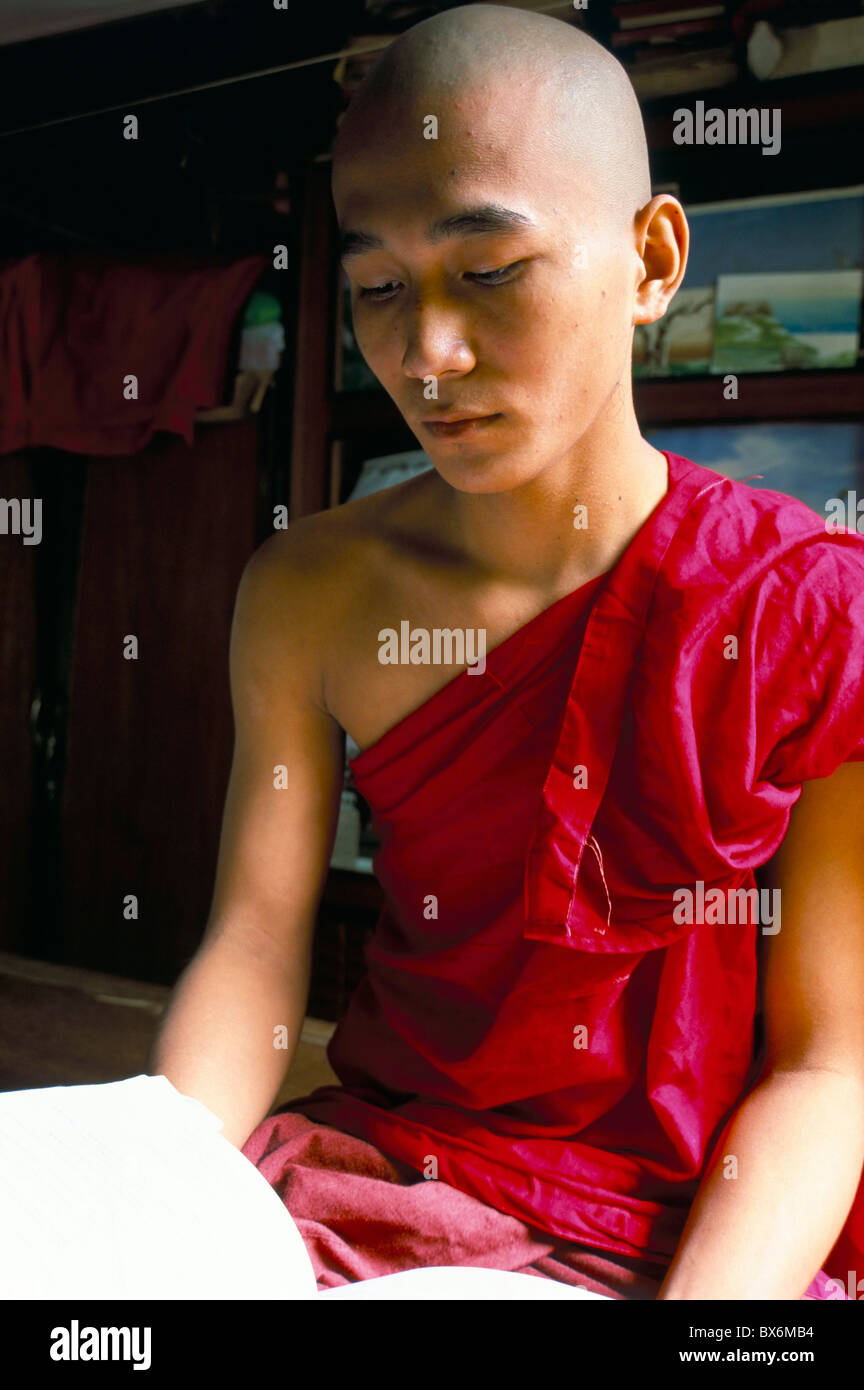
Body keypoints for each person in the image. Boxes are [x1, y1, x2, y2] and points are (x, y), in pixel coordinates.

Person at [149, 4, 864, 1299]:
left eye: (487, 272)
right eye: (376, 287)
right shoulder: (311, 589)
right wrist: (153, 1184)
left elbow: (832, 1067)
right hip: (380, 1180)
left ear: (652, 260)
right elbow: (255, 942)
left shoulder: (810, 609)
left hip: (688, 1228)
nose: (425, 355)